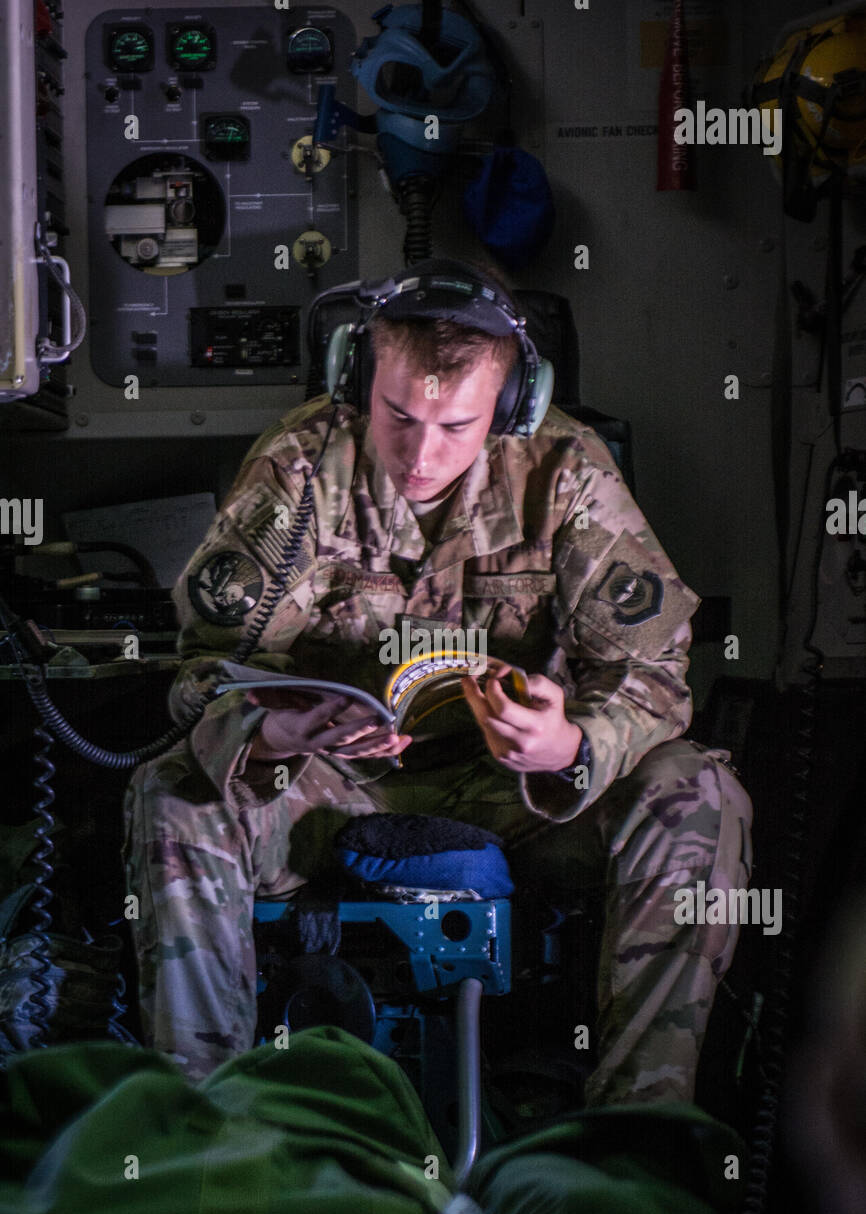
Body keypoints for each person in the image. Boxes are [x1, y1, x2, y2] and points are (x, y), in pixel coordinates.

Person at [122, 258, 753, 1106]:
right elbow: (202, 673)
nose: (422, 453)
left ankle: (636, 1146)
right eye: (398, 415)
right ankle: (203, 1132)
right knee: (171, 792)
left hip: (520, 797)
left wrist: (573, 744)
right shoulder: (300, 464)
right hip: (331, 788)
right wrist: (274, 729)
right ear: (358, 374)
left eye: (458, 425)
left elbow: (654, 675)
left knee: (701, 794)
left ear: (512, 403)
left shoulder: (564, 467)